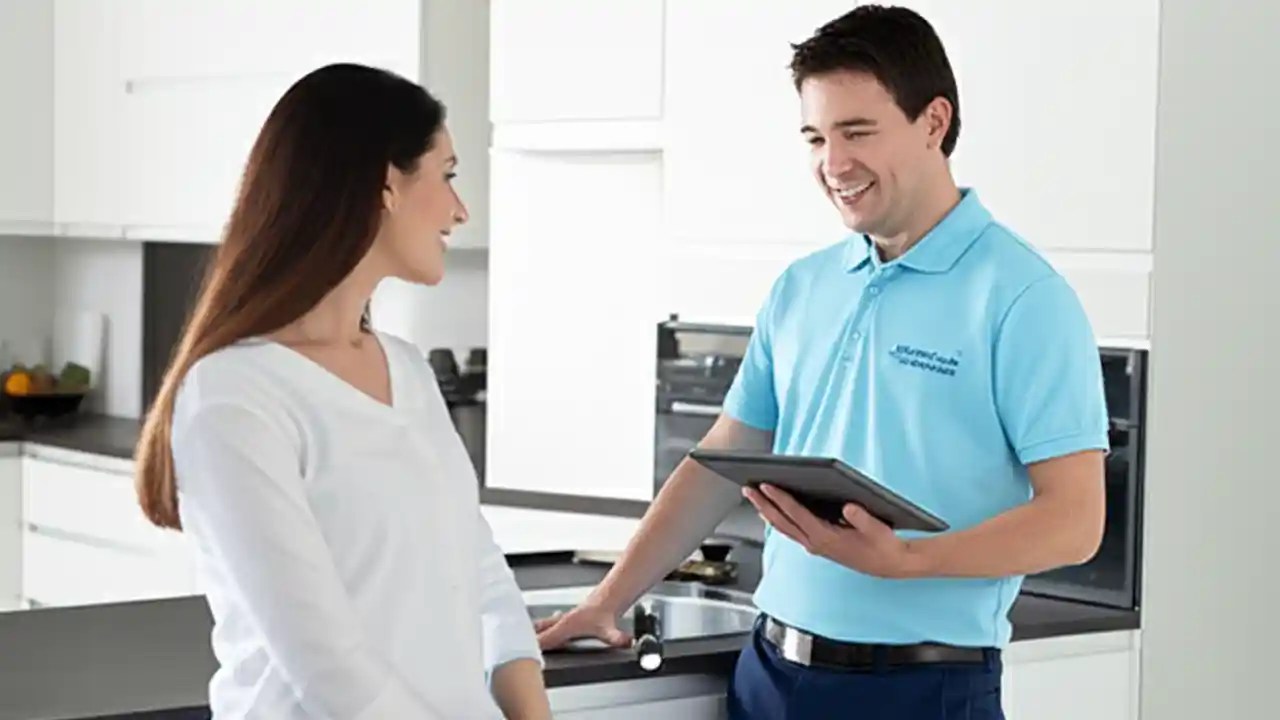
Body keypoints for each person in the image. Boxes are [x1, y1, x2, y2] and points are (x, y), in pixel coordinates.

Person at [534, 6, 1109, 719]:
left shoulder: (1023, 296)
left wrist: (906, 561)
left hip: (922, 691)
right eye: (816, 136)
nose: (833, 165)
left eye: (858, 132)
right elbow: (721, 461)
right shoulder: (804, 287)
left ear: (934, 121)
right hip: (770, 674)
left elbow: (1076, 521)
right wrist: (606, 601)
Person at [133, 63, 551, 719]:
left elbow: (481, 578)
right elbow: (327, 665)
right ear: (386, 183)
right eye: (446, 176)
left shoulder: (408, 371)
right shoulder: (233, 396)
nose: (460, 209)